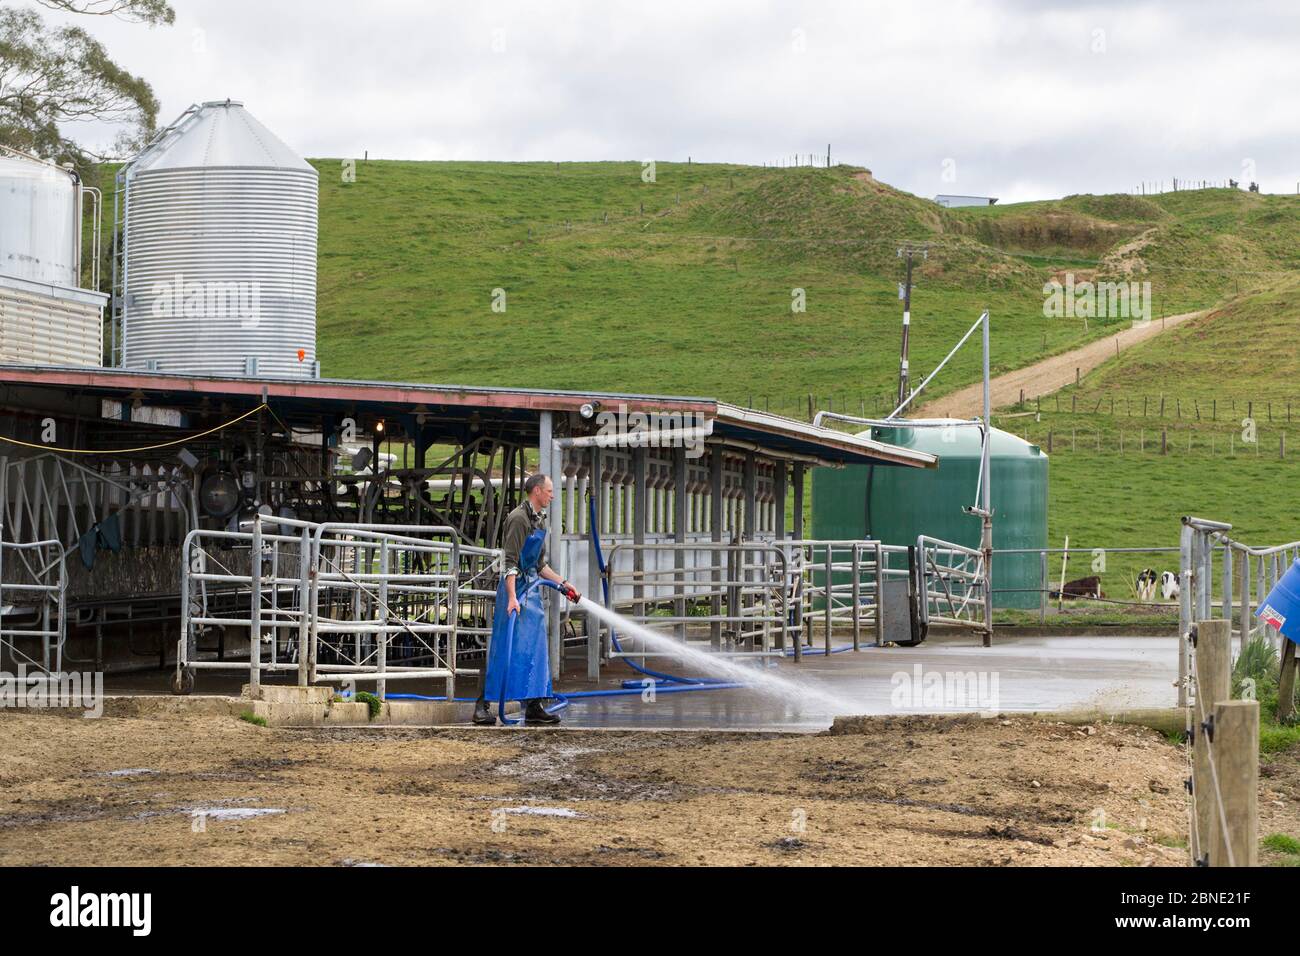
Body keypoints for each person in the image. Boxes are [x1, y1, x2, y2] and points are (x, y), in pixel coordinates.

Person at [473, 473, 581, 725]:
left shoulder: (539, 521)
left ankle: (534, 705)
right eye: (550, 491)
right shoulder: (518, 519)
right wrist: (512, 597)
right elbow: (509, 561)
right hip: (515, 589)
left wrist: (563, 584)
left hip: (531, 591)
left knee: (535, 648)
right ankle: (483, 704)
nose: (553, 496)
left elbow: (540, 564)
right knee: (506, 647)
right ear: (537, 491)